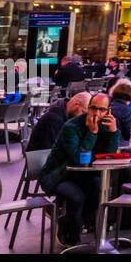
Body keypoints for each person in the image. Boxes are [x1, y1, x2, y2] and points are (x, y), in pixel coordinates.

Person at [39, 92, 120, 247]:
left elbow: (108, 157)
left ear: (108, 111)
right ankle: (69, 231)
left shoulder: (108, 125)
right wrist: (92, 133)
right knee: (76, 197)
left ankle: (86, 225)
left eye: (102, 110)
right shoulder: (71, 127)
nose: (96, 113)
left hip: (85, 176)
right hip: (60, 175)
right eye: (93, 108)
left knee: (100, 189)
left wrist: (113, 133)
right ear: (88, 107)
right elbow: (77, 161)